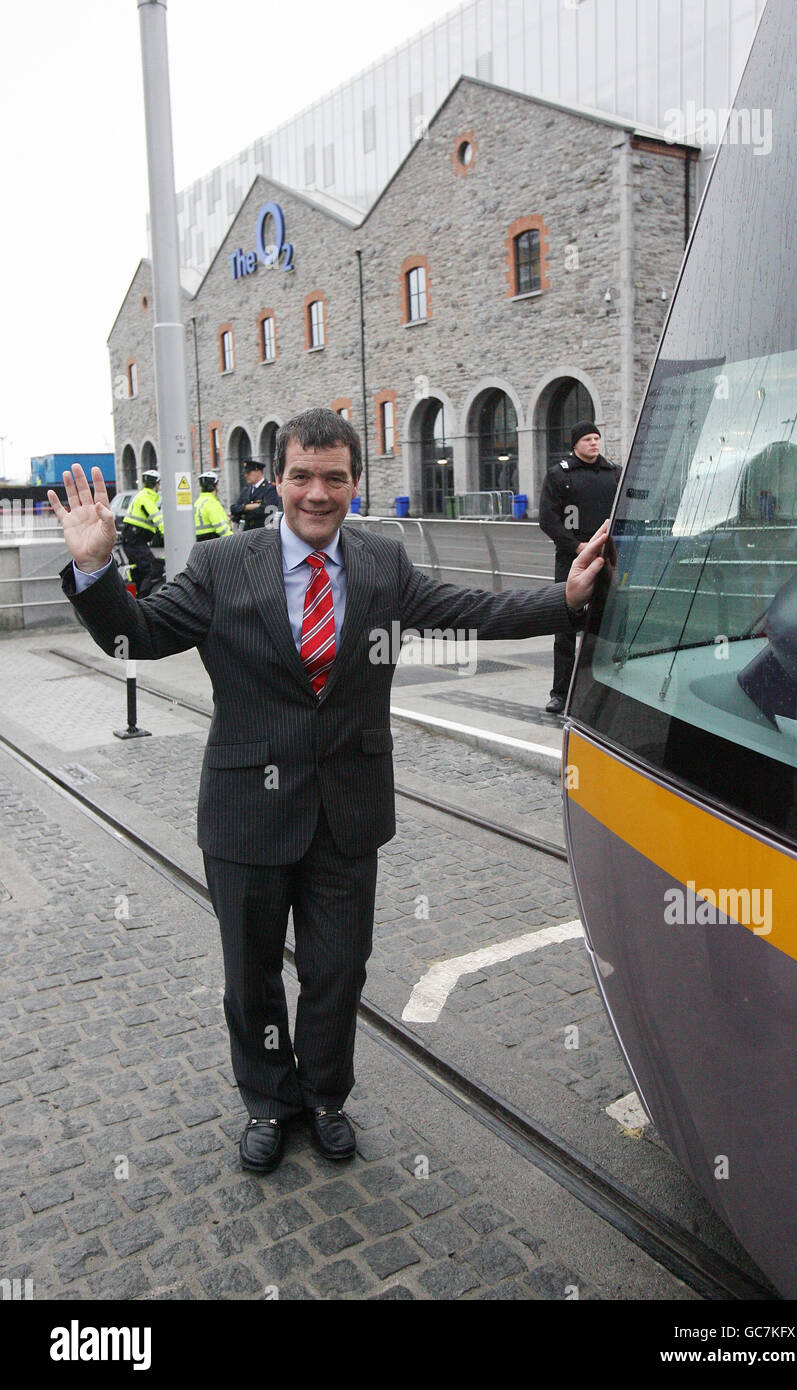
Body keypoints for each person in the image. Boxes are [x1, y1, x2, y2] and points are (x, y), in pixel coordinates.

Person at [49, 409, 608, 1174]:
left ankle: (324, 1097)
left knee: (338, 971)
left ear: (352, 482)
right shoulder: (222, 566)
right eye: (303, 476)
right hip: (246, 811)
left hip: (348, 812)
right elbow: (136, 637)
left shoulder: (381, 561)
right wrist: (94, 571)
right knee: (250, 978)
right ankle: (268, 1103)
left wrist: (566, 599)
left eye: (334, 478)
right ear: (277, 481)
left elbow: (468, 612)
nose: (318, 493)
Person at [538, 421, 621, 714]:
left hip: (607, 557)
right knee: (565, 624)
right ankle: (560, 693)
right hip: (571, 559)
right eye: (587, 439)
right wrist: (576, 547)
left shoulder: (614, 474)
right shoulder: (559, 475)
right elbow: (548, 519)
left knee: (609, 621)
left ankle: (606, 687)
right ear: (575, 444)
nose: (594, 443)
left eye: (597, 438)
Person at [122, 468, 164, 598]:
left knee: (139, 571)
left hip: (134, 540)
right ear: (156, 484)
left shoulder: (142, 495)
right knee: (153, 569)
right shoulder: (146, 498)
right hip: (136, 541)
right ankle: (144, 600)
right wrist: (168, 536)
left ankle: (134, 599)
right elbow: (158, 519)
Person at [230, 458, 281, 530]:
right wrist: (247, 507)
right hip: (247, 531)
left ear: (258, 472)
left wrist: (242, 513)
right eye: (245, 473)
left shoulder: (270, 488)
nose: (245, 476)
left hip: (263, 530)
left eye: (248, 473)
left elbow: (267, 510)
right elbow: (233, 508)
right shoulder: (246, 490)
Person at [194, 471, 233, 542]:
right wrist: (233, 541)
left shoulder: (197, 502)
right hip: (212, 542)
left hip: (199, 542)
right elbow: (221, 528)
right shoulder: (211, 503)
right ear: (216, 485)